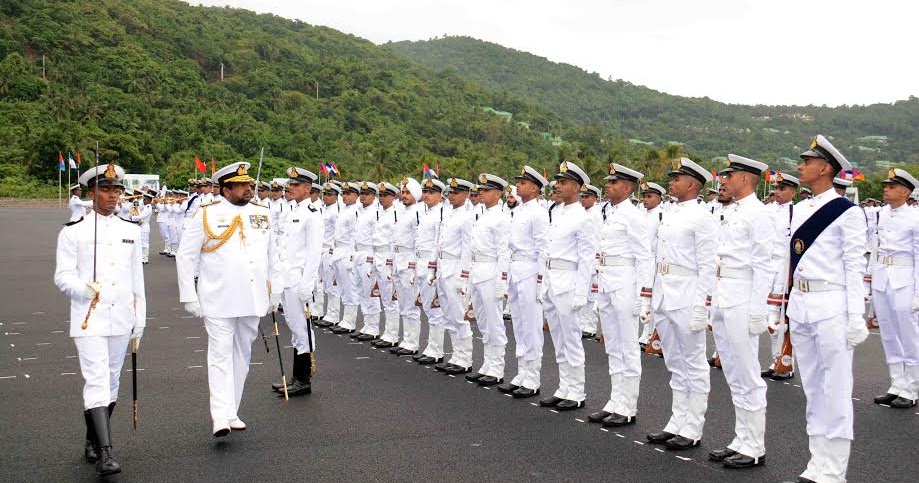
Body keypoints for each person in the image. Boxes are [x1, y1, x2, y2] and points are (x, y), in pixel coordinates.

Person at [176, 161, 282, 437]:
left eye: (249, 184)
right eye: (241, 185)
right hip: (219, 297)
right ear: (225, 189)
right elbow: (185, 255)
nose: (249, 189)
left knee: (242, 355)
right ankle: (219, 416)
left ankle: (231, 411)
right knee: (220, 355)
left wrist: (276, 291)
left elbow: (273, 256)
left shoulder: (262, 213)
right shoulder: (206, 214)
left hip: (252, 297)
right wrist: (188, 295)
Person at [784, 135, 868, 483]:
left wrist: (856, 316)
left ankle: (834, 470)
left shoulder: (847, 213)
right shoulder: (800, 208)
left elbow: (854, 267)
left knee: (836, 390)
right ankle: (817, 462)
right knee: (813, 388)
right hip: (802, 305)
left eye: (806, 162)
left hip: (832, 306)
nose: (800, 166)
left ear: (824, 168)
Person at [54, 163, 145, 476]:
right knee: (96, 379)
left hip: (121, 316)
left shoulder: (131, 231)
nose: (112, 195)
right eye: (105, 190)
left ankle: (92, 439)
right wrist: (85, 289)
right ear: (91, 193)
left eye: (116, 190)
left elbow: (137, 281)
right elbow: (62, 276)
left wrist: (140, 319)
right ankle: (106, 453)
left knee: (112, 380)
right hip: (88, 317)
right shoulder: (73, 231)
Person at [707, 155, 777, 469]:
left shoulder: (759, 213)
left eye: (729, 175)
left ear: (746, 178)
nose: (723, 180)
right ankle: (740, 439)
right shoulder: (733, 210)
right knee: (733, 373)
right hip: (725, 294)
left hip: (743, 297)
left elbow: (764, 264)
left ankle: (754, 446)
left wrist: (759, 309)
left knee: (748, 374)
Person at [645, 158, 717, 450]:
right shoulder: (670, 212)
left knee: (694, 363)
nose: (671, 182)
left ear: (691, 184)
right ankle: (677, 420)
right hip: (665, 294)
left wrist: (701, 306)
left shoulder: (702, 217)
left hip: (687, 295)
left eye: (676, 179)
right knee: (674, 362)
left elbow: (708, 265)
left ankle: (693, 427)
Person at [587, 163, 652, 427]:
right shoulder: (612, 213)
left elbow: (644, 257)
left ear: (626, 187)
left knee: (628, 347)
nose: (608, 185)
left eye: (613, 182)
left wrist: (642, 296)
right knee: (613, 346)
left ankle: (628, 406)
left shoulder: (633, 216)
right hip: (608, 284)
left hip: (625, 285)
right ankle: (615, 400)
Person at [537, 161, 599, 411]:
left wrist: (581, 293)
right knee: (558, 339)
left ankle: (576, 391)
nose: (558, 186)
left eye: (563, 182)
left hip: (569, 284)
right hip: (552, 282)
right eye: (558, 182)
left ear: (577, 187)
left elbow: (586, 259)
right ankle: (564, 387)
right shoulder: (558, 212)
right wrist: (543, 282)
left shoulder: (583, 218)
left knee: (571, 339)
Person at [496, 167, 549, 397]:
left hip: (530, 271)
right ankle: (522, 372)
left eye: (523, 182)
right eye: (518, 181)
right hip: (516, 270)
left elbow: (543, 249)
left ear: (535, 188)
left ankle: (533, 378)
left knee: (531, 325)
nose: (518, 185)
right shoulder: (518, 211)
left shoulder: (538, 213)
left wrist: (540, 282)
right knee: (518, 324)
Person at [870, 168, 919, 409]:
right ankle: (897, 384)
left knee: (909, 336)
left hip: (904, 280)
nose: (886, 190)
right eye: (886, 186)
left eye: (891, 187)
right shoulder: (882, 214)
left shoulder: (915, 217)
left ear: (905, 192)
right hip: (882, 278)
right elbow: (876, 248)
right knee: (889, 335)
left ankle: (911, 389)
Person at [274, 167, 323, 397]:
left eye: (295, 185)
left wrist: (307, 284)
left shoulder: (312, 215)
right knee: (294, 327)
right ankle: (297, 376)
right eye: (289, 184)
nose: (289, 188)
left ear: (307, 188)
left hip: (298, 281)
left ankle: (303, 380)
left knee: (302, 329)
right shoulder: (291, 211)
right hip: (286, 279)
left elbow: (314, 254)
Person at [461, 174, 511, 386]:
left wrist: (502, 280)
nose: (481, 193)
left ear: (498, 194)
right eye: (481, 190)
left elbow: (504, 252)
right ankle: (487, 364)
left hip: (491, 272)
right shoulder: (482, 215)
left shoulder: (501, 218)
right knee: (482, 321)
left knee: (494, 322)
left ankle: (497, 368)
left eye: (486, 190)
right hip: (478, 271)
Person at [432, 178, 476, 374]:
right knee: (448, 315)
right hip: (443, 267)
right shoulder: (447, 214)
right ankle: (455, 356)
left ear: (466, 195)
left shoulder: (467, 217)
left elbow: (468, 248)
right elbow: (438, 244)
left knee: (459, 316)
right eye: (450, 192)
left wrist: (464, 276)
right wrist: (433, 268)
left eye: (456, 193)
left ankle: (465, 359)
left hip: (456, 268)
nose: (451, 195)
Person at [763, 173, 800, 380]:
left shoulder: (796, 212)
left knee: (783, 318)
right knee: (770, 318)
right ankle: (775, 359)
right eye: (776, 188)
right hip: (767, 266)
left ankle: (786, 363)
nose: (777, 192)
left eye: (782, 189)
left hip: (785, 268)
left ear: (793, 191)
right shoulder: (767, 210)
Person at [415, 178, 449, 364]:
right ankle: (431, 347)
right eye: (425, 192)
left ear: (440, 195)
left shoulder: (441, 214)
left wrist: (433, 268)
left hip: (431, 265)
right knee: (428, 308)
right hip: (420, 263)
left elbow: (437, 244)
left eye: (431, 192)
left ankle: (436, 350)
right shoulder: (425, 213)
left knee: (435, 310)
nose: (426, 195)